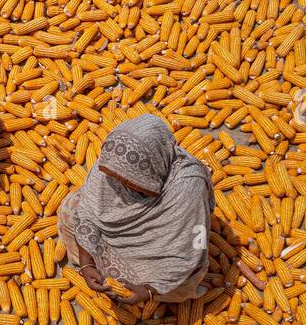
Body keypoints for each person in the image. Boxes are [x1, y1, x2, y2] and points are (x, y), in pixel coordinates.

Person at [59, 113, 214, 304]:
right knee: (71, 208)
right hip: (119, 236)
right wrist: (87, 263)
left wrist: (149, 291)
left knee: (178, 285)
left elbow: (192, 249)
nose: (122, 184)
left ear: (155, 167)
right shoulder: (114, 163)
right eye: (118, 177)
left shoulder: (188, 186)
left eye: (133, 181)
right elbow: (88, 213)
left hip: (166, 250)